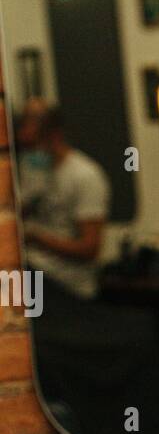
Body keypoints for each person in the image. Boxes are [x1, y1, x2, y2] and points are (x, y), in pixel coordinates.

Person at [15, 98, 109, 301]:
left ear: (53, 135)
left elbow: (90, 248)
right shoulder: (32, 170)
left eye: (35, 143)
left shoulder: (85, 175)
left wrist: (34, 237)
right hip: (30, 276)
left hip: (65, 286)